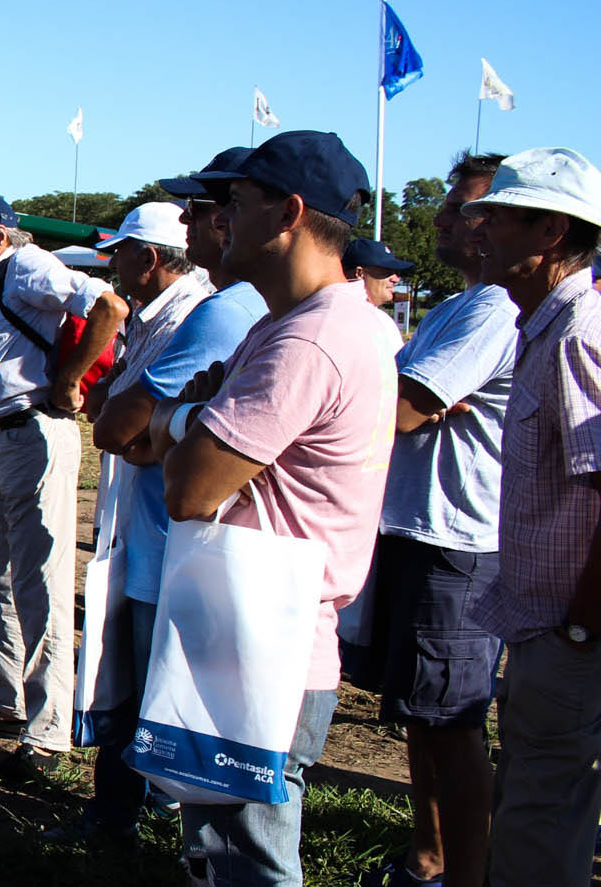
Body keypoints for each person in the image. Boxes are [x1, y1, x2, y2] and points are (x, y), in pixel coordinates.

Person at [149, 130, 398, 885]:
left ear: (288, 213)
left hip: (266, 648)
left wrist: (175, 422)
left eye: (236, 200)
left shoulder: (308, 341)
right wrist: (195, 421)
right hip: (260, 632)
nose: (220, 218)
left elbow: (188, 488)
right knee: (225, 851)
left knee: (248, 860)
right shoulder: (308, 323)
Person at [355, 153, 515, 887]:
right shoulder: (457, 306)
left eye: (462, 207)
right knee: (423, 714)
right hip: (421, 530)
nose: (443, 218)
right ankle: (430, 856)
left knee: (451, 723)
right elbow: (400, 395)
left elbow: (402, 407)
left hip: (458, 540)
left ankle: (462, 872)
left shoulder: (493, 309)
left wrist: (402, 400)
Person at [0, 192, 128, 778]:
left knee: (42, 583)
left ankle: (49, 731)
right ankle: (10, 699)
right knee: (6, 578)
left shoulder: (27, 265)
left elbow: (108, 306)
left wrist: (70, 379)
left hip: (34, 433)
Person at [63, 199, 226, 842]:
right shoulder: (153, 317)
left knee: (142, 682)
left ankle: (130, 811)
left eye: (122, 253)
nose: (114, 265)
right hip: (141, 525)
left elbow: (120, 427)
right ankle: (140, 803)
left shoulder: (192, 317)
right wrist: (134, 425)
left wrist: (137, 426)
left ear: (150, 257)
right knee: (133, 677)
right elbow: (114, 414)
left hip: (164, 539)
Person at [461, 146, 601, 887]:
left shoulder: (580, 334)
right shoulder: (542, 327)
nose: (477, 230)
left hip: (569, 636)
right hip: (545, 626)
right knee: (531, 802)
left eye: (497, 217)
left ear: (551, 232)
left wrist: (580, 628)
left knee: (540, 821)